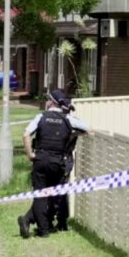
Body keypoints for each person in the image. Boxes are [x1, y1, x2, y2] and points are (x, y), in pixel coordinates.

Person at [17, 89, 87, 239]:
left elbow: (26, 134)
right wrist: (73, 133)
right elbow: (87, 129)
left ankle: (42, 229)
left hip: (41, 159)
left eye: (47, 99)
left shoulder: (41, 117)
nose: (46, 101)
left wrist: (30, 154)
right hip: (58, 162)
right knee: (53, 194)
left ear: (52, 102)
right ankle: (40, 224)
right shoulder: (67, 119)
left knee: (40, 195)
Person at [45, 96, 88, 232]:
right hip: (60, 160)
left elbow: (87, 129)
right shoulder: (66, 122)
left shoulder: (68, 121)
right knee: (56, 190)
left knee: (58, 191)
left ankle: (60, 222)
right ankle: (54, 221)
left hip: (63, 161)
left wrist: (73, 134)